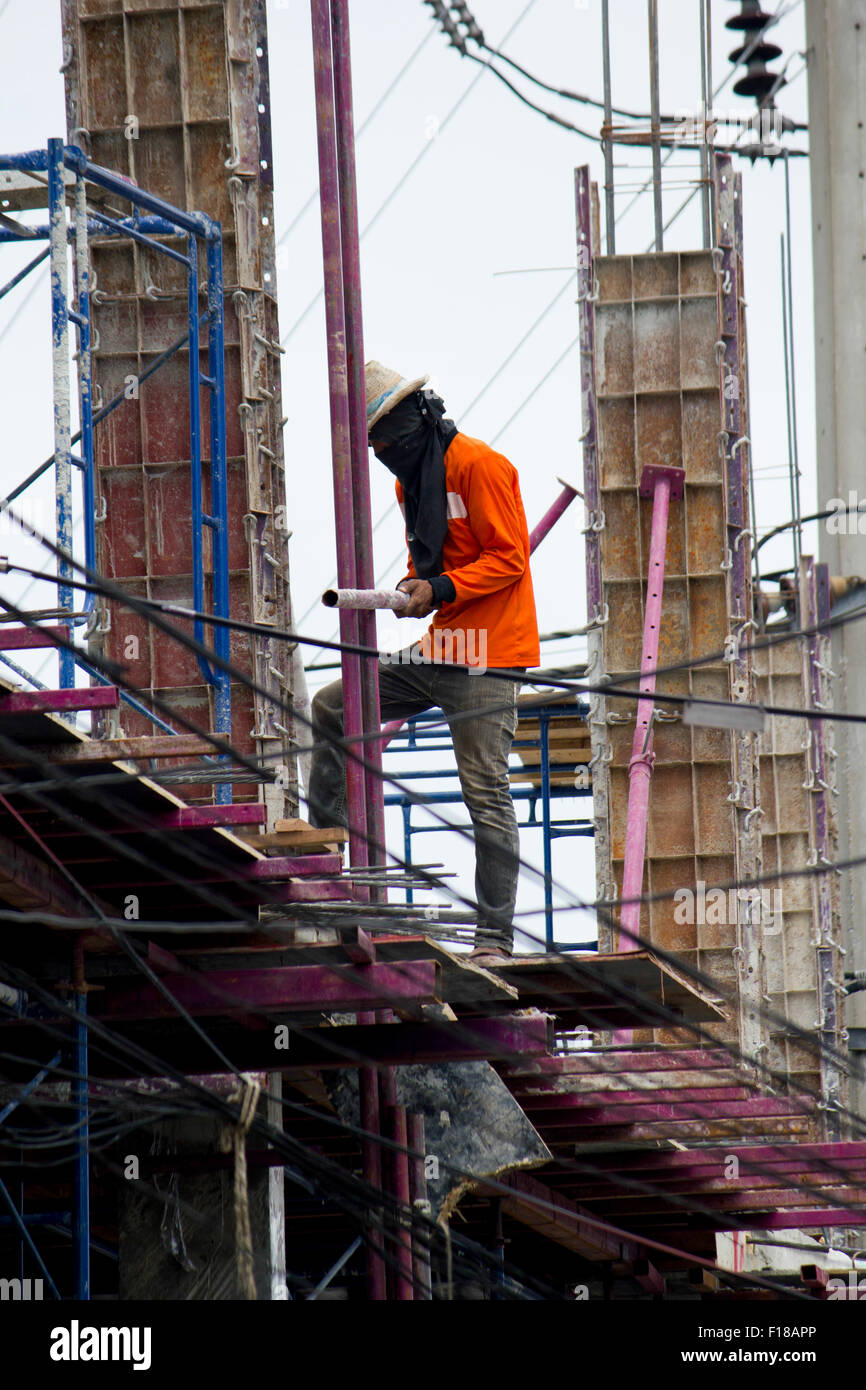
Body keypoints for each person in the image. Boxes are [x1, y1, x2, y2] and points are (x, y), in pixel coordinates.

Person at [308, 361, 540, 966]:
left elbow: (509, 559)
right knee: (332, 705)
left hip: (490, 652)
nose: (383, 453)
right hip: (445, 645)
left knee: (484, 790)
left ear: (414, 423)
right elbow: (430, 561)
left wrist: (437, 588)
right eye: (374, 445)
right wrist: (414, 588)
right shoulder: (410, 482)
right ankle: (321, 869)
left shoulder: (480, 466)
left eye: (386, 439)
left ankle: (494, 940)